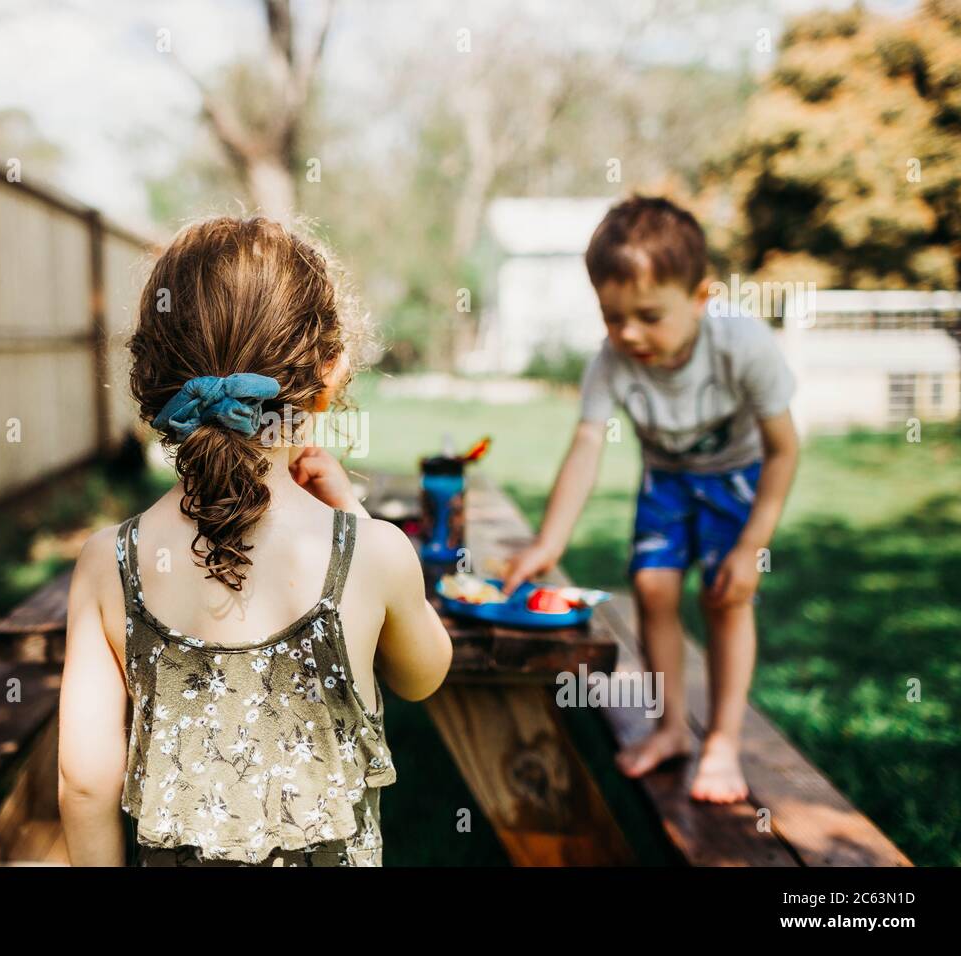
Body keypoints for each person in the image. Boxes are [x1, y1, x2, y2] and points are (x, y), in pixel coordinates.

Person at [58, 216, 453, 865]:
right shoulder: (373, 554)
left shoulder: (110, 564)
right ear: (328, 376)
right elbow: (423, 675)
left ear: (155, 378)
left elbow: (83, 784)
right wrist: (353, 514)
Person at [502, 196, 800, 803]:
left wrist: (751, 546)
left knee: (725, 600)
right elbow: (586, 447)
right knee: (654, 591)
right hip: (665, 481)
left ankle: (721, 740)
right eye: (612, 317)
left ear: (701, 298)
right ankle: (672, 730)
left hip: (736, 481)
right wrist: (548, 542)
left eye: (648, 315)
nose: (629, 333)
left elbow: (784, 451)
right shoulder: (610, 362)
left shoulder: (743, 346)